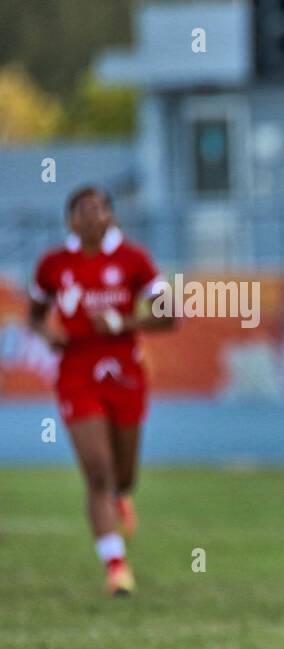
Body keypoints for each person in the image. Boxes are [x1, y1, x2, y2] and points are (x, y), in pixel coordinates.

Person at [28, 186, 172, 596]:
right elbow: (35, 317)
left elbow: (170, 316)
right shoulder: (54, 264)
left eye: (100, 210)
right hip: (76, 372)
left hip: (125, 373)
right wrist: (48, 335)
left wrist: (123, 324)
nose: (92, 217)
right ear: (71, 220)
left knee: (123, 475)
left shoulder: (134, 259)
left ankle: (122, 494)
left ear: (111, 216)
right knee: (97, 470)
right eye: (84, 212)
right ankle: (116, 566)